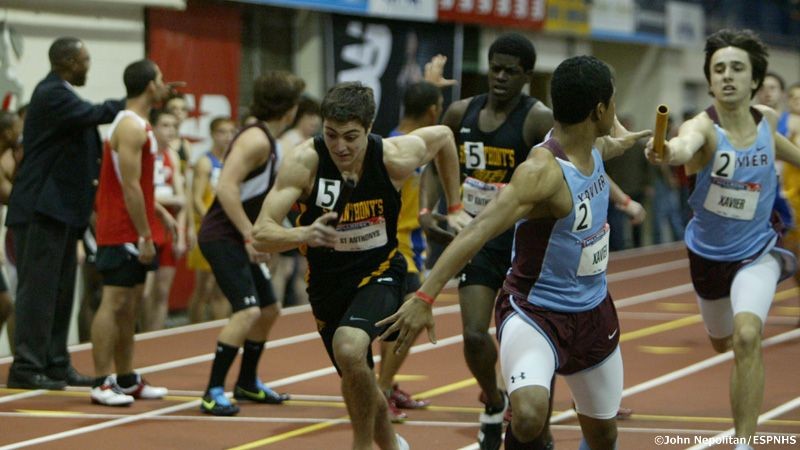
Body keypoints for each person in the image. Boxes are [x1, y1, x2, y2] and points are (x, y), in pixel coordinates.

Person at [381, 55, 648, 450]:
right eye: (612, 104)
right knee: (527, 416)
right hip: (535, 311)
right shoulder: (540, 173)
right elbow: (476, 231)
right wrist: (425, 296)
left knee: (604, 436)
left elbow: (607, 144)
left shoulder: (592, 146)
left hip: (592, 311)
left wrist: (628, 142)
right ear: (599, 110)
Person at [252, 81, 464, 450]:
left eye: (351, 136)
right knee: (359, 378)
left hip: (381, 272)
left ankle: (361, 446)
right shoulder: (306, 162)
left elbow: (445, 137)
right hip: (327, 285)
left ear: (369, 129)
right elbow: (261, 233)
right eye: (331, 135)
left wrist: (456, 206)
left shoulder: (394, 156)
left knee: (349, 349)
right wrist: (304, 234)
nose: (340, 146)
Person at [645, 29, 800, 450]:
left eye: (737, 68)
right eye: (719, 69)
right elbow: (681, 146)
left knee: (748, 336)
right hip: (708, 257)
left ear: (754, 80)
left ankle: (744, 443)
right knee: (721, 342)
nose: (727, 76)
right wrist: (668, 152)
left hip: (758, 251)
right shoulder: (704, 128)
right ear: (710, 82)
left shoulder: (766, 122)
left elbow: (792, 154)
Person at [6, 37, 123, 390]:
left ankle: (55, 362)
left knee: (59, 293)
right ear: (69, 61)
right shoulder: (51, 93)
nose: (89, 66)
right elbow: (95, 114)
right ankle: (26, 366)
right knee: (38, 292)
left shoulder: (62, 93)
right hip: (41, 210)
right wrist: (135, 101)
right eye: (85, 59)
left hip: (59, 212)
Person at [196, 71, 305, 416]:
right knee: (247, 311)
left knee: (270, 309)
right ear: (289, 110)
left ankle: (246, 382)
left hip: (238, 234)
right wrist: (248, 234)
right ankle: (213, 390)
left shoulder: (267, 140)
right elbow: (226, 187)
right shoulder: (256, 139)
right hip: (222, 235)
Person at [90, 59, 170, 406]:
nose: (166, 86)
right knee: (114, 301)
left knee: (131, 305)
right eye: (162, 80)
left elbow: (139, 187)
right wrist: (144, 234)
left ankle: (125, 378)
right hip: (122, 229)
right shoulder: (130, 127)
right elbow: (131, 187)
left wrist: (159, 214)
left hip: (135, 227)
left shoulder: (140, 125)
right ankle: (100, 381)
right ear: (151, 86)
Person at [141, 109, 186, 331]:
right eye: (165, 125)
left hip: (169, 227)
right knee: (144, 292)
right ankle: (141, 335)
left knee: (162, 290)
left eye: (174, 127)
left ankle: (154, 338)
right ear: (154, 127)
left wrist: (182, 235)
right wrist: (166, 199)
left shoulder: (173, 156)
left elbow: (182, 198)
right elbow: (140, 191)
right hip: (149, 224)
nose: (170, 131)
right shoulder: (144, 153)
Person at [186, 116, 234, 323]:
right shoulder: (205, 163)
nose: (227, 137)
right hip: (208, 227)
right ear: (213, 135)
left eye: (231, 132)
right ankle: (194, 330)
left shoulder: (233, 163)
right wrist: (212, 221)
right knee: (204, 286)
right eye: (222, 132)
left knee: (223, 286)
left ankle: (219, 329)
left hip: (228, 227)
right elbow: (196, 198)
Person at [0, 110, 21, 351]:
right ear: (6, 133)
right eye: (18, 128)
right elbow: (13, 198)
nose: (21, 132)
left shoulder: (8, 159)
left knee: (5, 305)